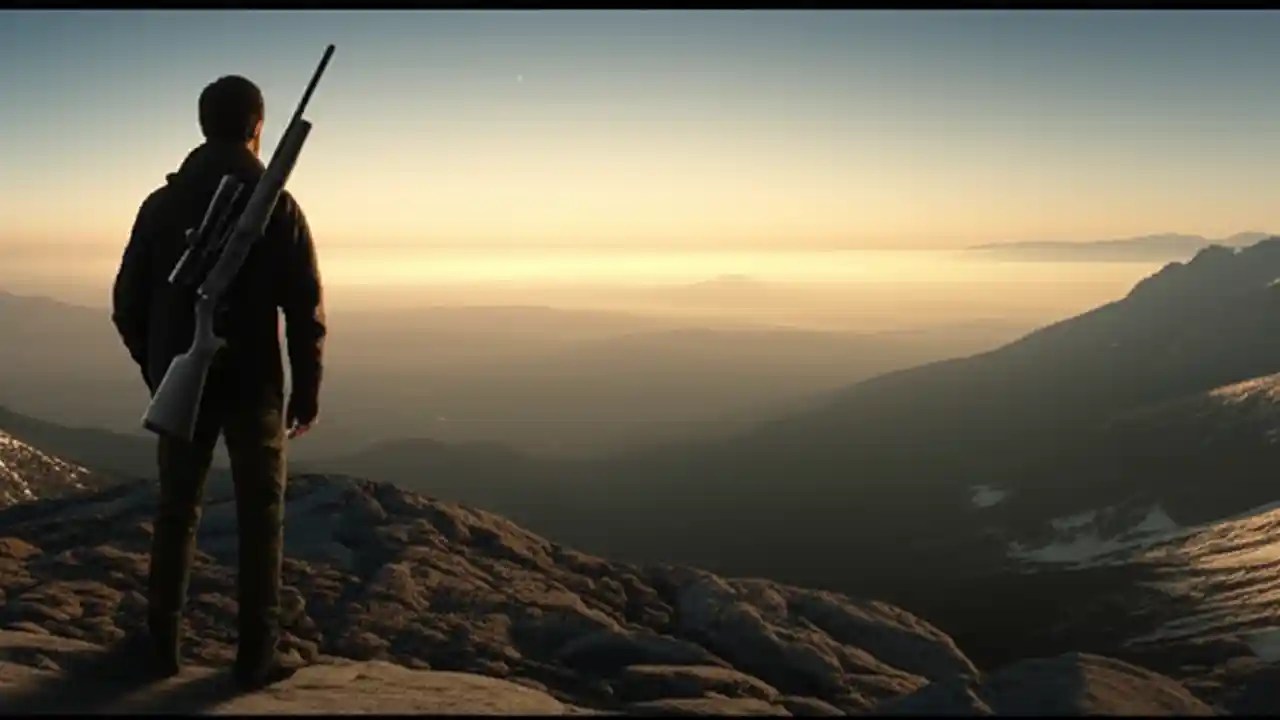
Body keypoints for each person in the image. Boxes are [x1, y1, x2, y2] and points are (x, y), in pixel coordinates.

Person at [110, 74, 326, 689]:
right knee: (263, 517)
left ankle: (160, 647)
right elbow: (305, 308)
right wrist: (306, 388)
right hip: (256, 384)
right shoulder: (277, 202)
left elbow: (127, 303)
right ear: (258, 127)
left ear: (204, 126)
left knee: (177, 510)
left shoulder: (160, 205)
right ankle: (256, 655)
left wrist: (162, 370)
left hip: (185, 381)